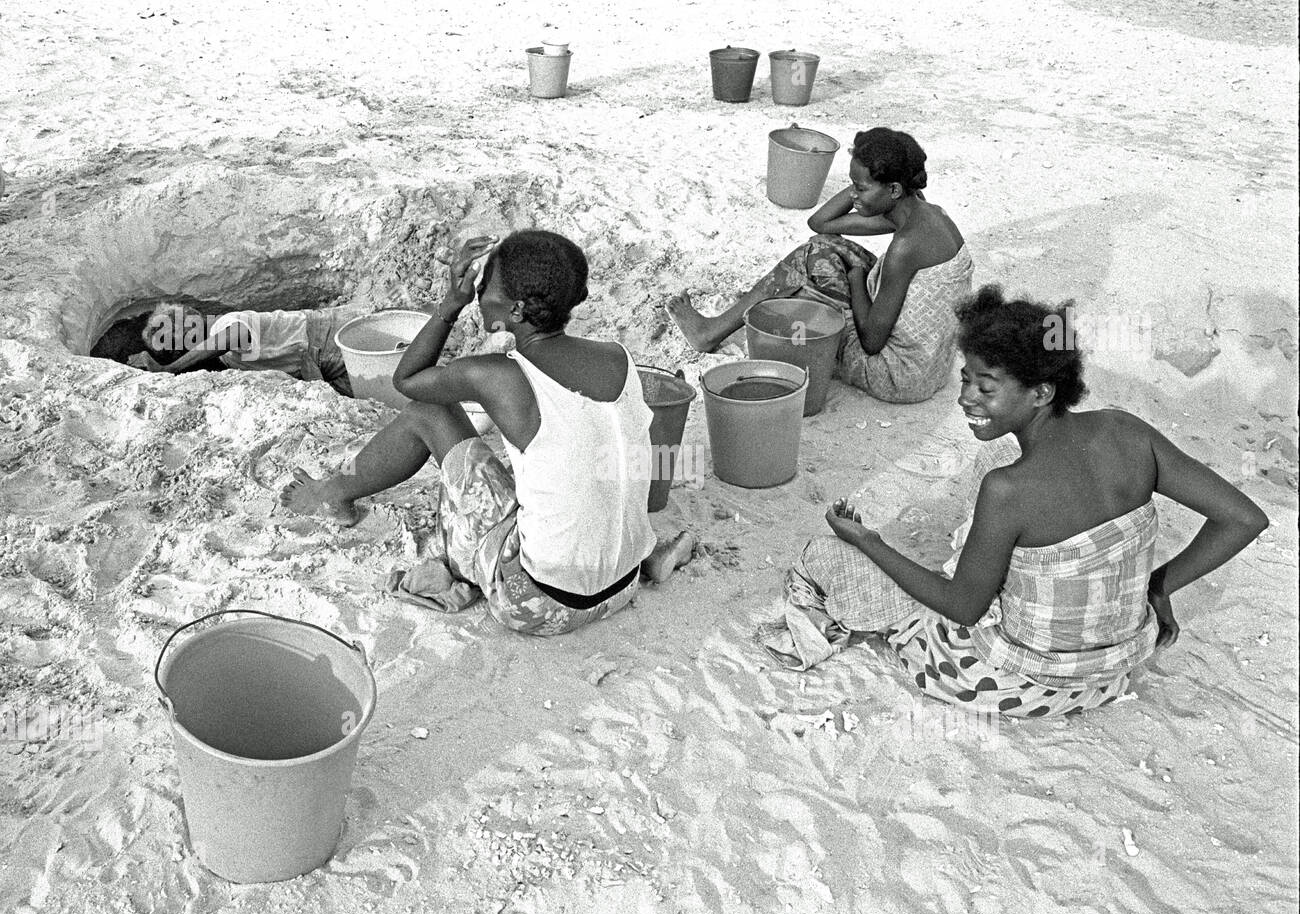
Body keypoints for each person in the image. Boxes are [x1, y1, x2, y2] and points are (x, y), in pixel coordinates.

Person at [760, 285, 1270, 717]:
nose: (966, 398)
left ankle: (823, 629)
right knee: (991, 482)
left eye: (986, 387)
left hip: (1017, 684)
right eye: (965, 380)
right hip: (1110, 671)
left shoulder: (1009, 490)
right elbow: (1243, 518)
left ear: (1043, 392)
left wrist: (868, 541)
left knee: (820, 557)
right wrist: (1159, 586)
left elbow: (962, 608)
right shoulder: (1128, 432)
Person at [280, 229, 694, 636]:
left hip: (537, 604)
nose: (479, 293)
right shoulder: (618, 358)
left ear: (514, 312)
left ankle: (332, 494)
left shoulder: (499, 375)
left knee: (429, 411)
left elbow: (407, 379)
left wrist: (450, 303)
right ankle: (650, 558)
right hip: (620, 585)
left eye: (484, 287)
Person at [669, 127, 973, 404]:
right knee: (822, 250)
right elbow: (821, 223)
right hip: (933, 366)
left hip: (897, 375)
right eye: (852, 185)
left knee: (808, 261)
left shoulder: (906, 246)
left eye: (861, 188)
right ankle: (740, 313)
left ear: (893, 190)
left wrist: (856, 279)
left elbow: (871, 341)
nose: (854, 195)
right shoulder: (921, 212)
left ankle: (710, 332)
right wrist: (862, 178)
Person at [126, 302, 357, 396]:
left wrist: (169, 369)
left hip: (331, 333)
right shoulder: (228, 361)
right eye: (172, 349)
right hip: (327, 365)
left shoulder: (226, 322)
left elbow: (237, 334)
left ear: (193, 317)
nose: (180, 348)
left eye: (178, 335)